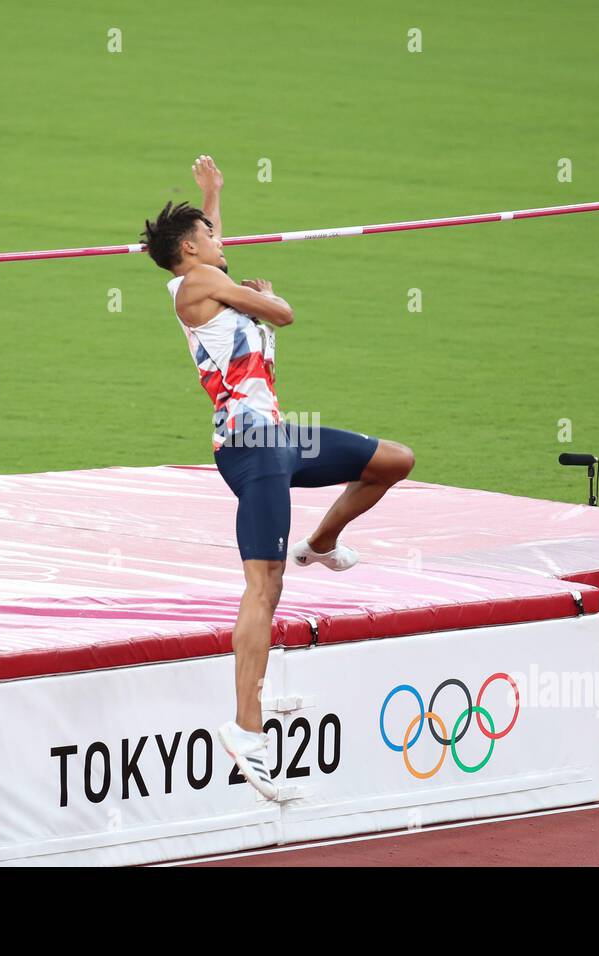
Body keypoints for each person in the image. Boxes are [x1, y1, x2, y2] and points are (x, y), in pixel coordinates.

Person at [141, 155, 415, 799]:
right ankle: (246, 730)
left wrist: (212, 193)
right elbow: (285, 313)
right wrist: (265, 298)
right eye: (209, 233)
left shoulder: (209, 282)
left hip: (280, 440)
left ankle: (321, 541)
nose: (221, 243)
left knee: (393, 461)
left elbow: (236, 275)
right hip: (250, 447)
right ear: (190, 249)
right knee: (264, 586)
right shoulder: (193, 290)